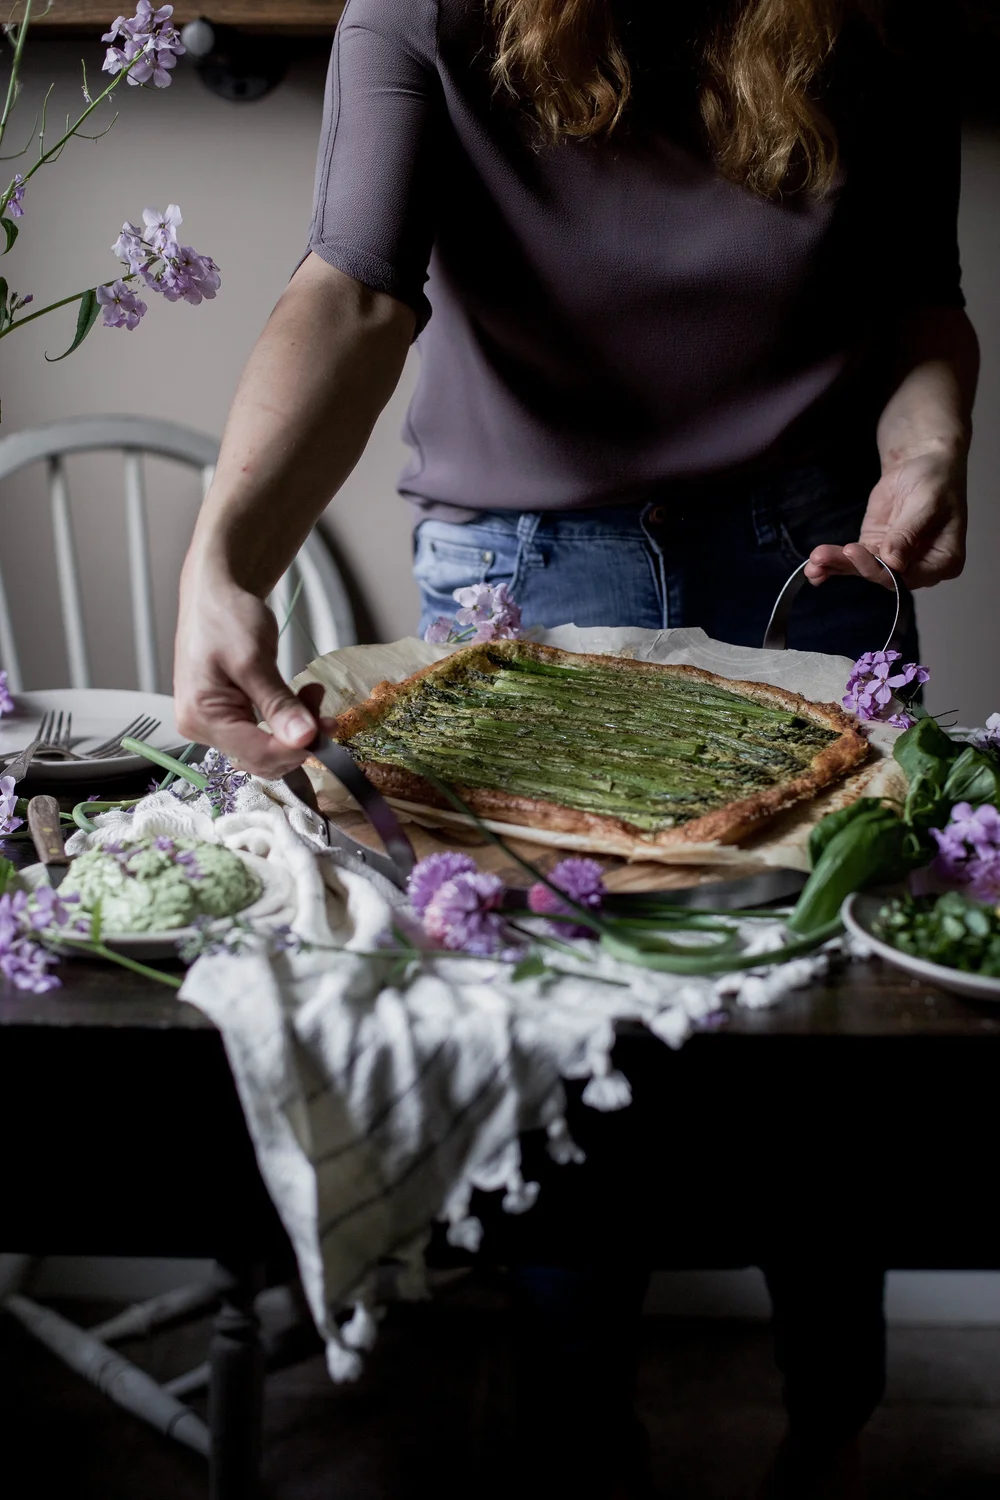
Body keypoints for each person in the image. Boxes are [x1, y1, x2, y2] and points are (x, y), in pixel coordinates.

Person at [175, 2, 979, 1495]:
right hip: (525, 585)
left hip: (807, 567)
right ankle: (576, 1445)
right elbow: (355, 291)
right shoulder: (422, 9)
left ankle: (837, 1430)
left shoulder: (875, 14)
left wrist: (925, 449)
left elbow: (920, 299)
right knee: (549, 1062)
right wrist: (224, 560)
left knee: (832, 1070)